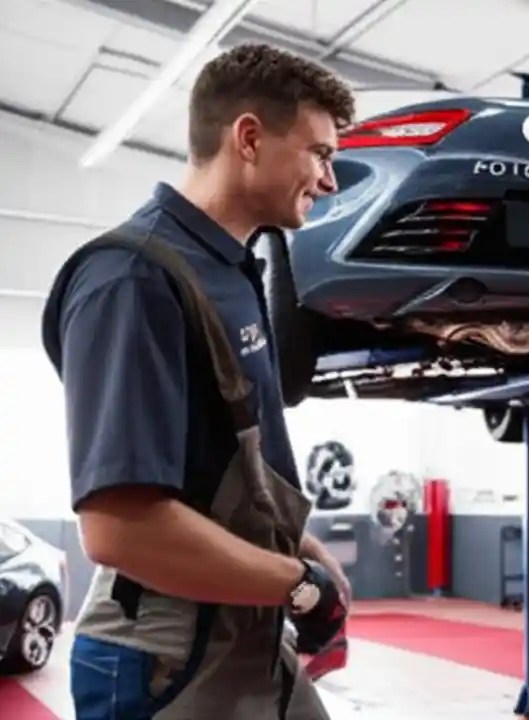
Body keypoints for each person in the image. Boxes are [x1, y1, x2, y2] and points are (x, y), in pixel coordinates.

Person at [41, 43, 358, 719]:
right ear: (248, 137)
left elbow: (222, 467)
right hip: (166, 655)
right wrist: (298, 585)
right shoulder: (133, 280)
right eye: (320, 153)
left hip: (247, 625)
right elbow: (121, 529)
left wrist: (306, 554)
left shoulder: (234, 273)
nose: (330, 181)